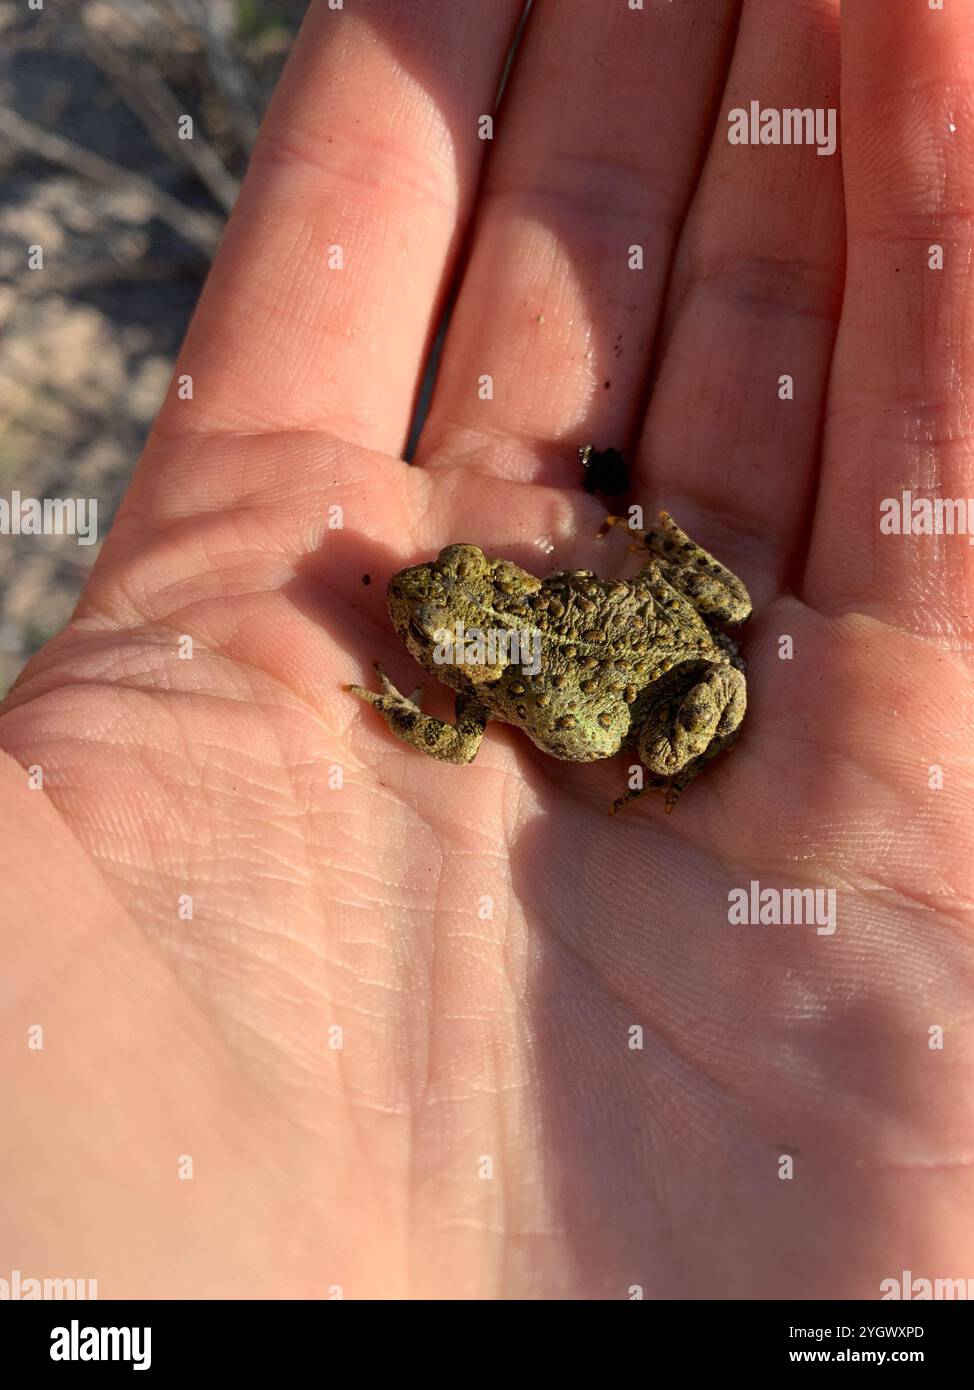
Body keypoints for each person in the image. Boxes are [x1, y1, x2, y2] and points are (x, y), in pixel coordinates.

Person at [2, 0, 971, 1298]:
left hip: (669, 671)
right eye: (430, 588)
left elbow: (459, 727)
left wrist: (464, 721)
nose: (413, 597)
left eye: (434, 601)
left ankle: (669, 756)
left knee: (704, 667)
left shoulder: (470, 682)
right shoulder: (485, 642)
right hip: (637, 624)